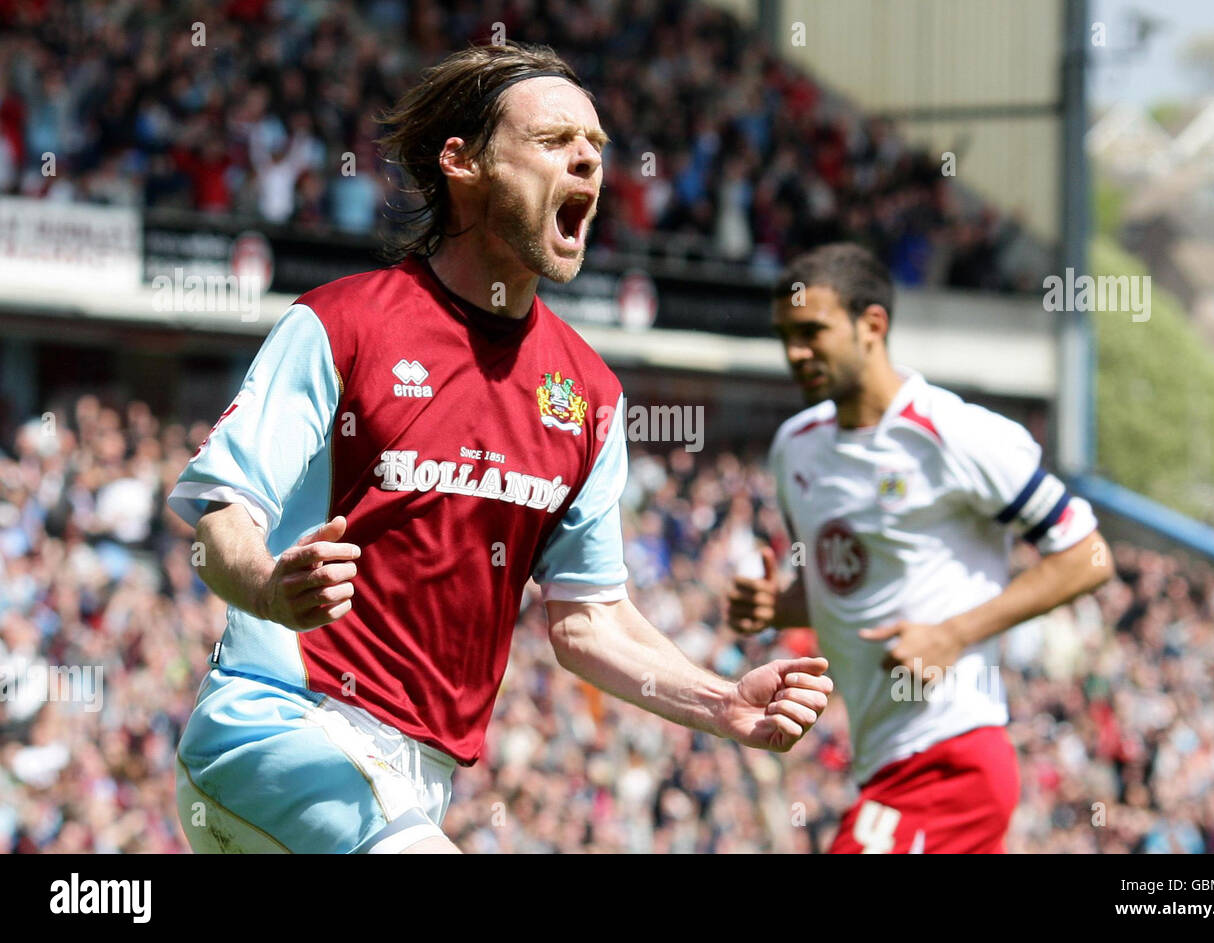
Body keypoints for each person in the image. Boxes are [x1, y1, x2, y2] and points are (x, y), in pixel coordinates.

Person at [166, 41, 832, 855]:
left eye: (596, 148)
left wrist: (722, 702)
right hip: (272, 731)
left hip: (411, 784)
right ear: (462, 162)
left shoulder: (587, 394)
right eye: (554, 141)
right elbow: (219, 514)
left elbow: (588, 620)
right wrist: (270, 585)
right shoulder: (340, 325)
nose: (587, 159)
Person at [726, 242, 1114, 853]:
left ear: (872, 325)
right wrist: (775, 606)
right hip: (883, 761)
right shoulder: (796, 447)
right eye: (785, 336)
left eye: (812, 332)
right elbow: (843, 586)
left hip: (951, 756)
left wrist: (954, 633)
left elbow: (1089, 555)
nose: (795, 353)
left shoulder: (956, 435)